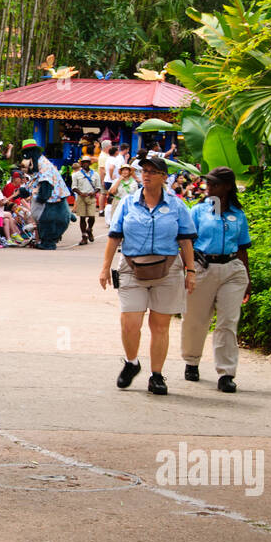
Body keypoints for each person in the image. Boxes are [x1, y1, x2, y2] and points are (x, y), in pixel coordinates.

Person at [98, 154, 197, 395]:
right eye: (144, 171)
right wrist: (105, 268)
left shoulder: (177, 206)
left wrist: (190, 271)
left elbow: (185, 240)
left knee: (160, 325)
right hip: (132, 267)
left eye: (153, 172)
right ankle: (132, 363)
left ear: (164, 177)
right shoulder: (128, 203)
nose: (147, 175)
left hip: (168, 269)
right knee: (130, 323)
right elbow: (114, 236)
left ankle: (157, 375)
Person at [180, 167, 251, 393]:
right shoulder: (198, 211)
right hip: (203, 267)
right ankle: (191, 361)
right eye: (208, 184)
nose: (209, 188)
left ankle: (226, 373)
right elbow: (186, 242)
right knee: (195, 319)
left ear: (227, 187)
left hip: (232, 270)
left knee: (227, 322)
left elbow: (243, 249)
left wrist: (248, 278)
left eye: (214, 184)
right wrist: (189, 269)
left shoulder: (238, 215)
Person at [19, 139, 71, 249]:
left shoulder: (44, 166)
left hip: (53, 201)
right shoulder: (39, 164)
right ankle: (45, 240)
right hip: (49, 201)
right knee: (45, 219)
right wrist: (25, 190)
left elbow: (46, 184)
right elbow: (35, 181)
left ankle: (48, 241)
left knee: (49, 219)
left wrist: (41, 196)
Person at [71, 156, 100, 245]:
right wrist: (80, 193)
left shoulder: (95, 174)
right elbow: (74, 187)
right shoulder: (76, 175)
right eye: (84, 162)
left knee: (91, 216)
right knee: (82, 217)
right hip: (81, 197)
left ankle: (89, 229)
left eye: (87, 162)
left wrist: (94, 192)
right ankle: (84, 236)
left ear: (90, 163)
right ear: (81, 164)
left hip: (91, 197)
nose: (85, 164)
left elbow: (98, 187)